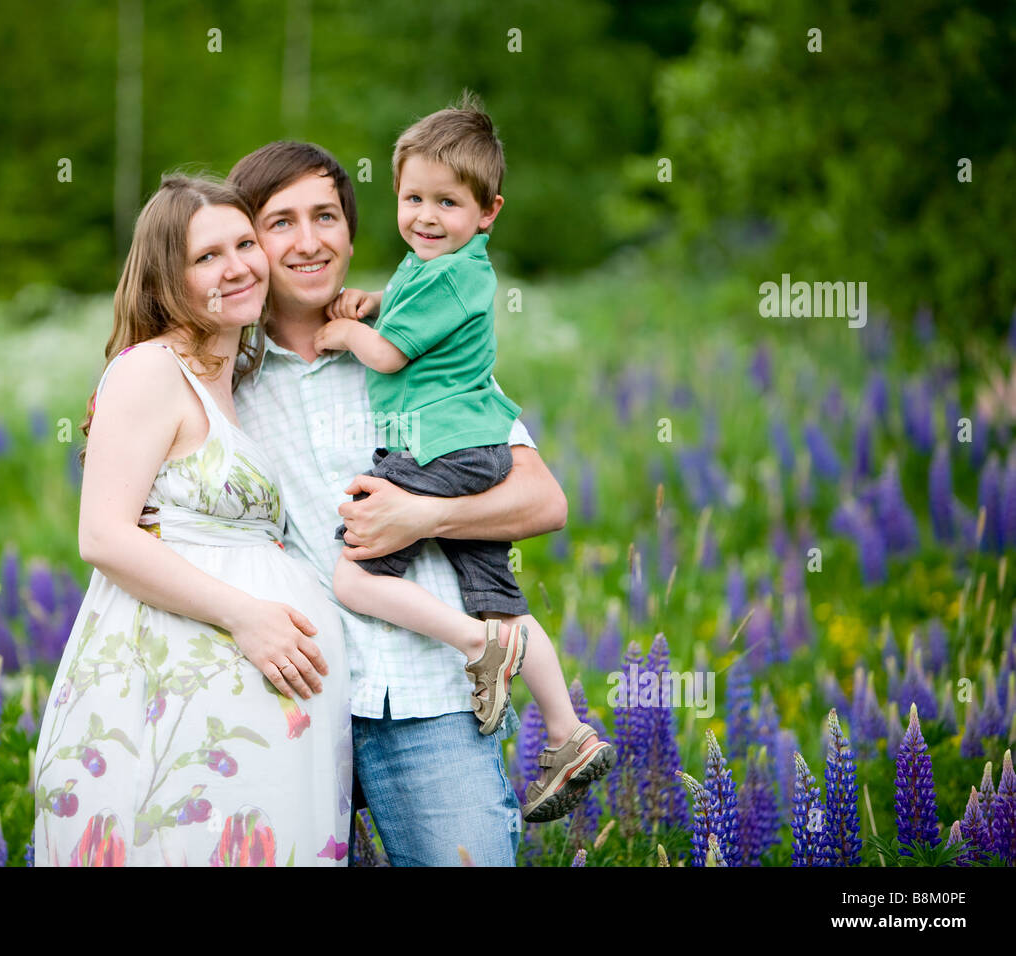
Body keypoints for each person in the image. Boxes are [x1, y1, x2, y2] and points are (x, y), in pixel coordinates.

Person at [229, 141, 565, 865]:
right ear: (248, 243)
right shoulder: (229, 382)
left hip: (430, 694)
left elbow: (543, 500)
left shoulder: (418, 353)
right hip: (292, 700)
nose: (310, 240)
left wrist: (427, 517)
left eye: (326, 217)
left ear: (352, 234)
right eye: (281, 222)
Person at [33, 174, 351, 867]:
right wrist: (248, 616)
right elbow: (103, 536)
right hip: (165, 707)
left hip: (254, 728)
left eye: (245, 243)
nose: (238, 265)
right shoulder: (150, 371)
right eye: (208, 256)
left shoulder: (236, 374)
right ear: (166, 278)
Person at [314, 95, 615, 824]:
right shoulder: (442, 264)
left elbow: (385, 354)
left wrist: (345, 334)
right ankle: (568, 731)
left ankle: (476, 646)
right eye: (412, 197)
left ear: (489, 212)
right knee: (499, 597)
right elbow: (412, 306)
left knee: (353, 576)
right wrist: (376, 300)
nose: (424, 215)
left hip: (439, 448)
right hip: (473, 450)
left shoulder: (451, 273)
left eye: (447, 202)